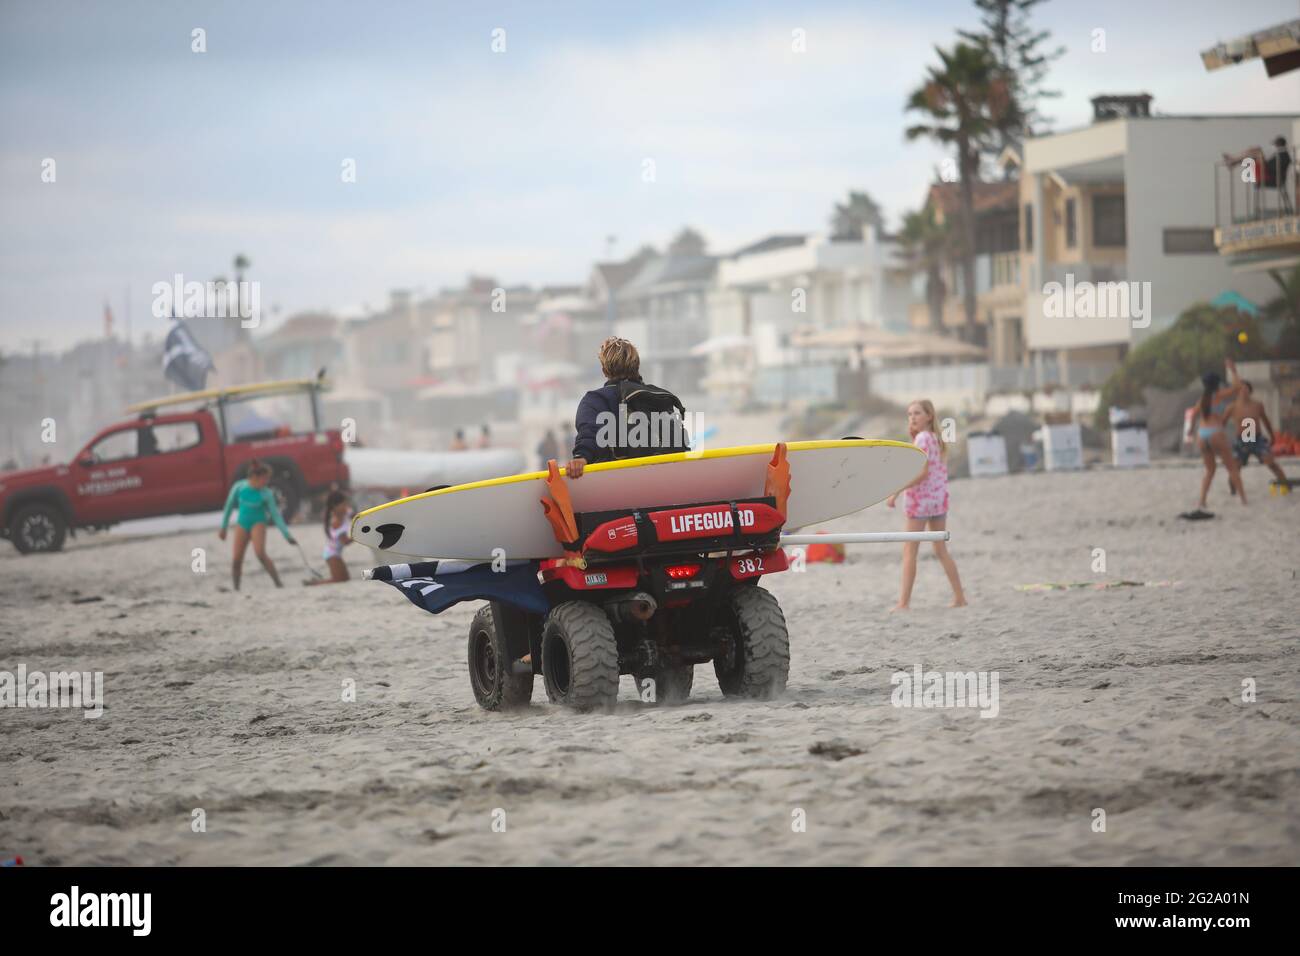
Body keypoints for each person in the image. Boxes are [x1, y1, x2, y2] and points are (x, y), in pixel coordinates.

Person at [565, 337, 689, 478]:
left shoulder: (596, 400)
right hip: (666, 478)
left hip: (619, 483)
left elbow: (590, 433)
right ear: (637, 366)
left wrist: (581, 456)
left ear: (605, 370)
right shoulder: (658, 396)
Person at [886, 399, 966, 610]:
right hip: (938, 500)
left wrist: (896, 492)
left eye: (917, 413)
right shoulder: (935, 438)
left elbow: (922, 473)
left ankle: (904, 603)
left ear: (929, 416)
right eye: (910, 414)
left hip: (920, 501)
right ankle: (960, 597)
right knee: (940, 549)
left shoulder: (922, 439)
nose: (912, 417)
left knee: (910, 551)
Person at [218, 460, 295, 589]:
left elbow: (276, 516)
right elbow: (229, 506)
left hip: (258, 523)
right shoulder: (239, 487)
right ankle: (236, 588)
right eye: (265, 479)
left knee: (260, 553)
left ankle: (278, 583)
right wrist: (223, 527)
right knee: (236, 559)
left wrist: (287, 535)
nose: (267, 482)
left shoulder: (266, 493)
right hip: (242, 523)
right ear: (254, 476)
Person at [1192, 360, 1247, 508]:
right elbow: (1238, 387)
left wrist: (1191, 431)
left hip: (1202, 434)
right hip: (1216, 433)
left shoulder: (1202, 400)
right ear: (1217, 384)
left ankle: (1202, 500)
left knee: (1210, 471)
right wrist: (1233, 370)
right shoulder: (1218, 395)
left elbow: (1192, 416)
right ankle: (1243, 500)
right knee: (1232, 468)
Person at [1230, 379, 1290, 485]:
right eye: (1241, 389)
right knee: (1235, 467)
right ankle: (1233, 490)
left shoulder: (1257, 405)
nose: (1244, 391)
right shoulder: (1233, 407)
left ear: (1250, 391)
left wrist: (1272, 436)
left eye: (1246, 389)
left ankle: (1286, 484)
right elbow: (1221, 423)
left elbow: (1265, 421)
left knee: (1271, 463)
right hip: (1241, 440)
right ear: (1237, 392)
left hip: (1257, 439)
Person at [306, 490, 353, 586]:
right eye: (343, 505)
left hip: (337, 553)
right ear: (334, 506)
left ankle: (315, 582)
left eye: (346, 504)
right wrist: (359, 536)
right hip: (331, 554)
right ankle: (314, 584)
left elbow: (356, 516)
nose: (346, 507)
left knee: (346, 579)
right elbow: (345, 542)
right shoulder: (336, 522)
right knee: (337, 580)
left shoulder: (345, 512)